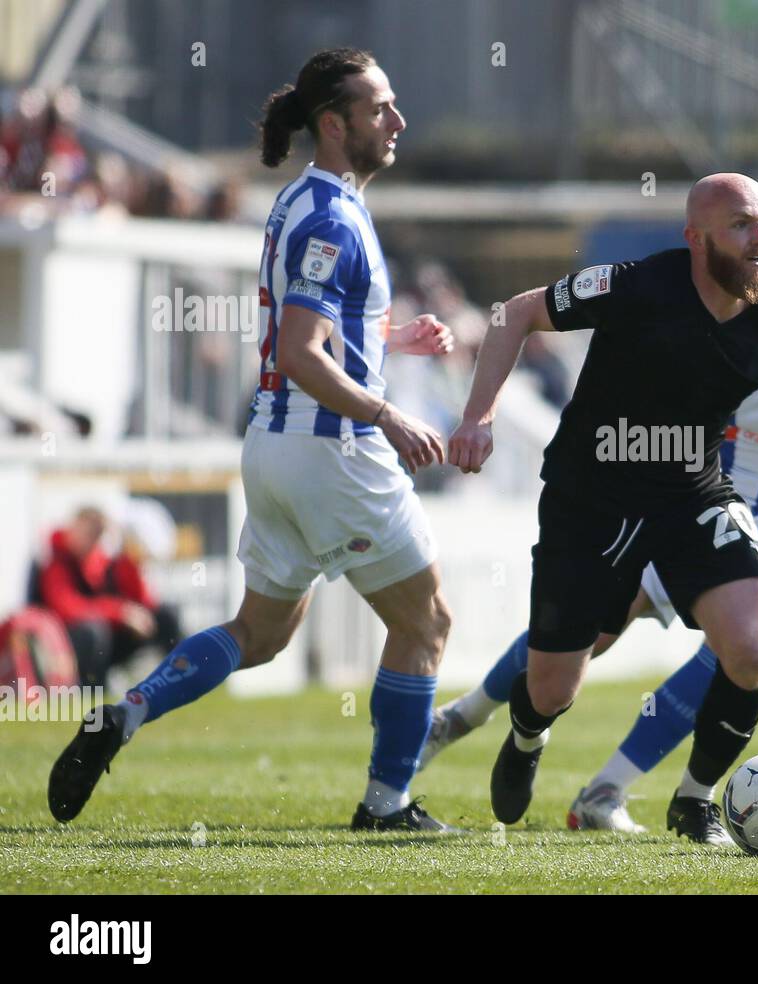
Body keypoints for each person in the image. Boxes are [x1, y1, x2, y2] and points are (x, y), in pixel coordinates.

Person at [48, 48, 459, 833]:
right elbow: (303, 354)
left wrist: (394, 340)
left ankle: (123, 718)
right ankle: (387, 804)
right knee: (427, 622)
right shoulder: (334, 217)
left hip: (276, 450)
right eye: (380, 110)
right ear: (333, 124)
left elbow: (315, 334)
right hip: (331, 450)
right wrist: (390, 413)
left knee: (259, 635)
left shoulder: (308, 201)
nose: (398, 122)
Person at [424, 210, 758, 835]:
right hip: (605, 495)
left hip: (731, 508)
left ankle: (657, 793)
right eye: (747, 236)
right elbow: (517, 312)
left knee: (744, 645)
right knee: (565, 664)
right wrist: (478, 416)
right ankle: (493, 722)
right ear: (702, 241)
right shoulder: (642, 287)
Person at [35, 507, 180, 688]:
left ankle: (182, 675)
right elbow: (67, 608)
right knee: (94, 632)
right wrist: (120, 613)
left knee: (165, 616)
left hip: (110, 638)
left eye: (98, 534)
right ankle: (93, 688)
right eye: (90, 532)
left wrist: (133, 560)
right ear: (74, 527)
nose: (93, 539)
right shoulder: (56, 563)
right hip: (72, 643)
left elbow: (142, 600)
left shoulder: (101, 560)